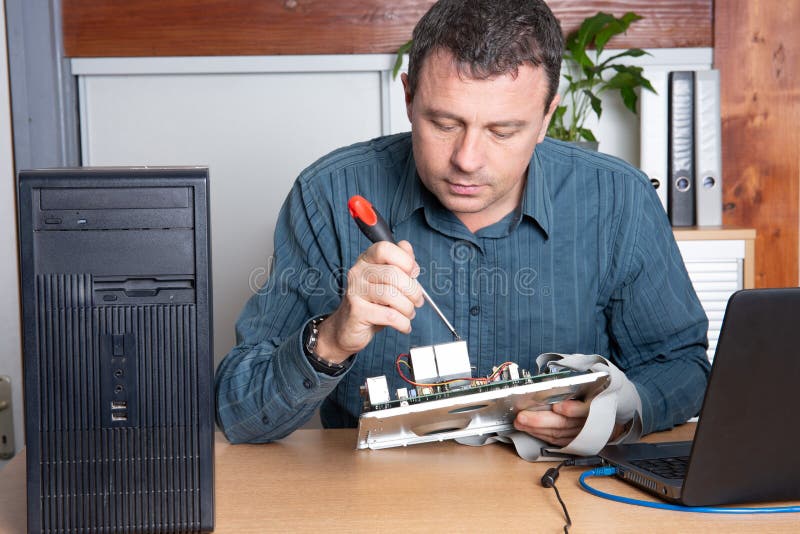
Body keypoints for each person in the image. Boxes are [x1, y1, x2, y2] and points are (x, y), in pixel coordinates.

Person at [215, 0, 710, 447]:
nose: (468, 160)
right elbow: (238, 412)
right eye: (444, 124)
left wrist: (614, 415)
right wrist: (334, 337)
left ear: (546, 118)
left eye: (503, 130)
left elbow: (684, 368)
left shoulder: (616, 199)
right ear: (408, 98)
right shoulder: (328, 194)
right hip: (376, 508)